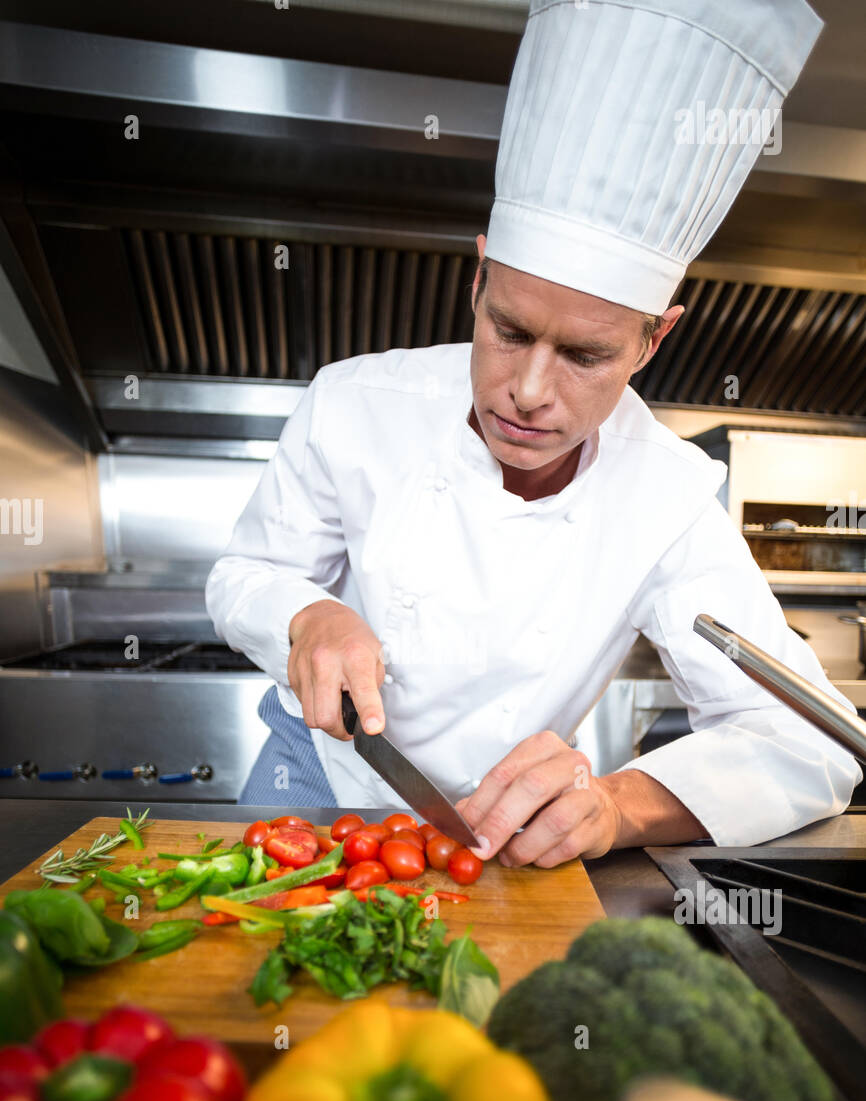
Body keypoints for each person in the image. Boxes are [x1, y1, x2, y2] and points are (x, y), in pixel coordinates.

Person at [206, 0, 860, 867]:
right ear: (479, 278)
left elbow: (811, 741)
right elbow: (243, 573)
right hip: (313, 781)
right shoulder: (356, 403)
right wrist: (308, 613)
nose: (526, 392)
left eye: (585, 354)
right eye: (510, 330)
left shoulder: (666, 495)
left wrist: (620, 806)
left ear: (653, 339)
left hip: (508, 829)